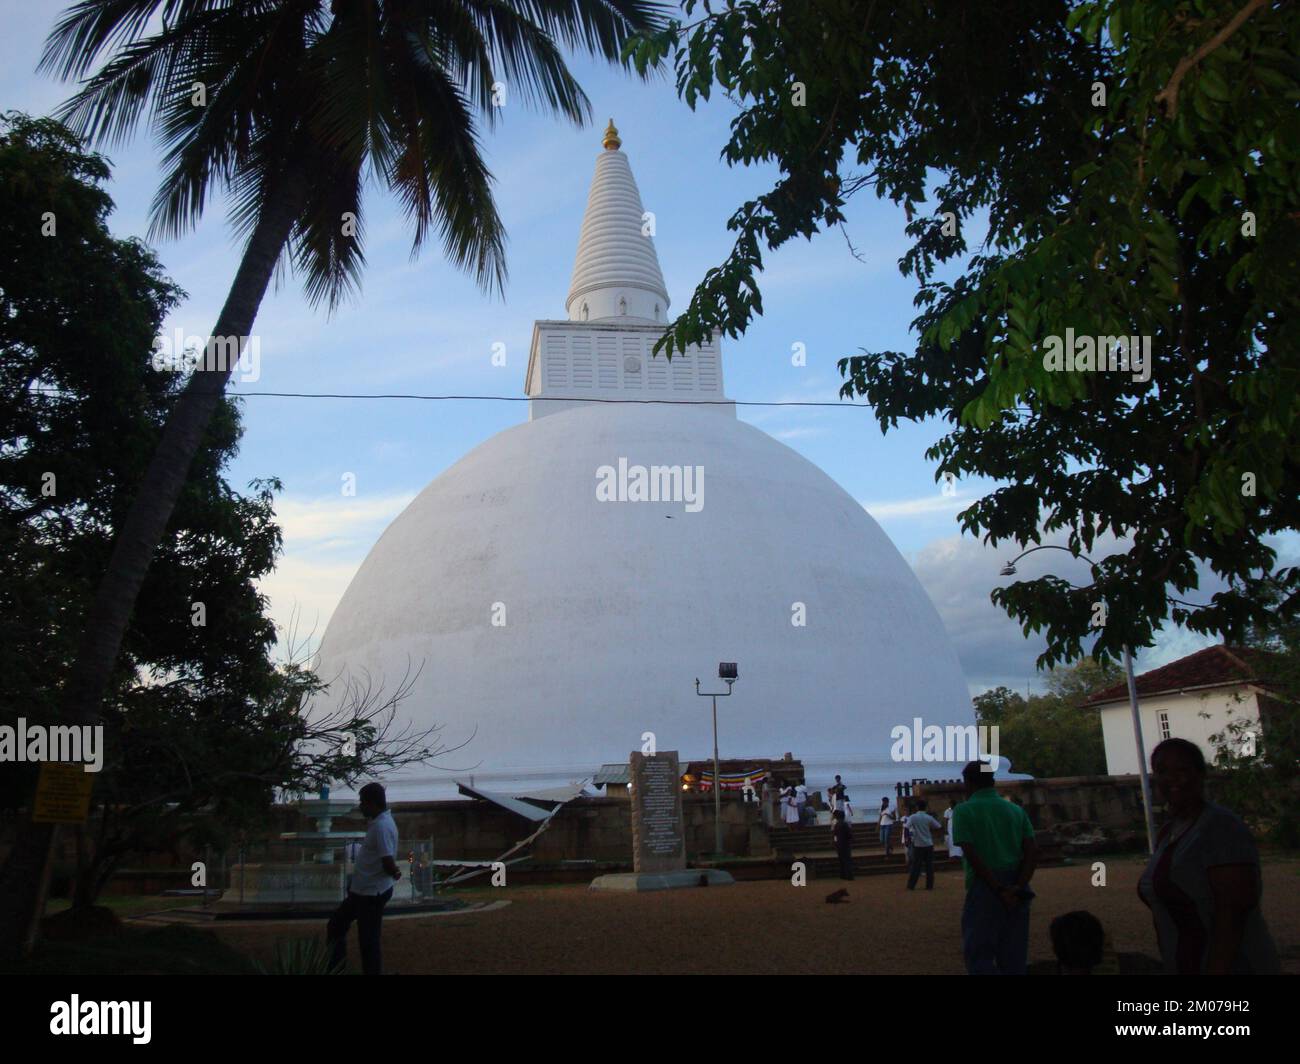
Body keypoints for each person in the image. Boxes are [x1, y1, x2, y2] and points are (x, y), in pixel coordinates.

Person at [1137, 737, 1280, 975]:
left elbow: (1233, 914)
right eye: (1162, 771)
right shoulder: (1170, 832)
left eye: (1182, 770)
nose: (1172, 778)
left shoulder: (1220, 828)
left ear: (1201, 774)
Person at [951, 759, 1038, 975]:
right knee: (1015, 954)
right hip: (1018, 884)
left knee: (979, 953)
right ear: (992, 781)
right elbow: (1032, 852)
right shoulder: (1015, 811)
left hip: (985, 885)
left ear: (968, 783)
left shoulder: (963, 811)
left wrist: (998, 888)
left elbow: (971, 855)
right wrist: (1018, 886)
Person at [326, 781, 401, 975]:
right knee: (337, 926)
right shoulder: (380, 823)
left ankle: (352, 969)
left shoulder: (381, 827)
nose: (360, 806)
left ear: (373, 803)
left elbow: (387, 858)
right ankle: (337, 968)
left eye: (363, 802)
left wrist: (395, 872)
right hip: (363, 891)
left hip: (371, 892)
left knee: (367, 939)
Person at [904, 800, 944, 890]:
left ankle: (911, 885)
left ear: (917, 807)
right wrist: (935, 835)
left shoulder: (913, 817)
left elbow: (906, 828)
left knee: (916, 866)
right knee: (929, 866)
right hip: (928, 844)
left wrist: (907, 839)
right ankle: (929, 885)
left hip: (918, 844)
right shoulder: (928, 817)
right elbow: (939, 827)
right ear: (925, 807)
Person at [831, 809, 855, 880]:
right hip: (846, 844)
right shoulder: (845, 824)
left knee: (841, 860)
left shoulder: (837, 825)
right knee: (847, 860)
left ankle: (843, 875)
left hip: (839, 844)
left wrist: (834, 842)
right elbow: (849, 834)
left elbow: (834, 834)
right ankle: (849, 876)